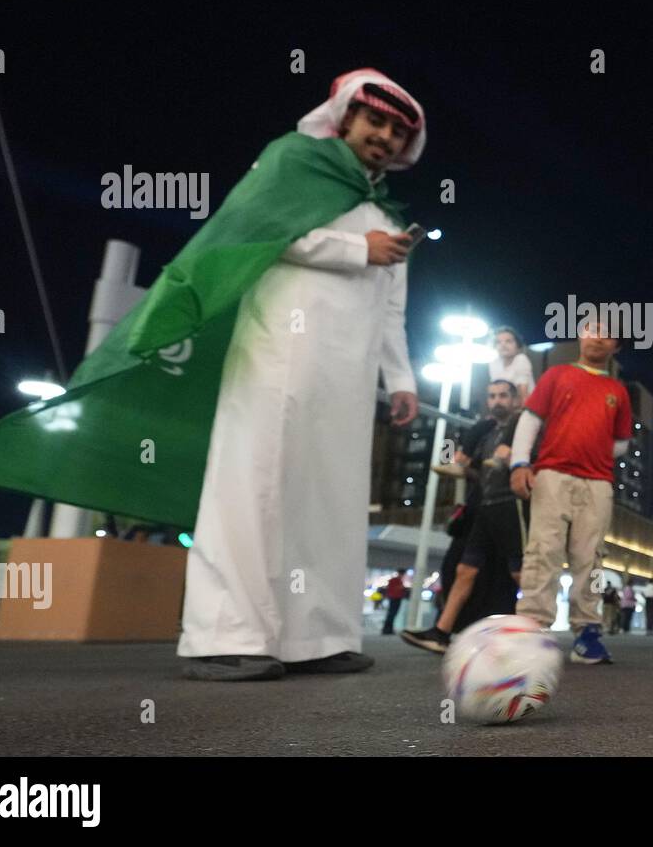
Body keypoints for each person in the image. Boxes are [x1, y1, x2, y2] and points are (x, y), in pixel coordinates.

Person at [178, 68, 426, 681]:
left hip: (347, 376)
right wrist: (353, 249)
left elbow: (392, 307)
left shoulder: (387, 215)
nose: (386, 137)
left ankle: (317, 636)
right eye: (376, 121)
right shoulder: (293, 161)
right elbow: (255, 231)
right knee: (255, 484)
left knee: (331, 494)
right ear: (344, 117)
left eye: (398, 131)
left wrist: (402, 381)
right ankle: (223, 634)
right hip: (275, 356)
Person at [510, 322, 633, 663]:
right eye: (592, 330)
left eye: (608, 335)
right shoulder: (556, 375)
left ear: (616, 347)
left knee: (591, 559)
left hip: (598, 483)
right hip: (551, 475)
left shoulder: (618, 391)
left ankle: (587, 630)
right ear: (580, 335)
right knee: (542, 551)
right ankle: (532, 626)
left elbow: (622, 443)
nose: (598, 338)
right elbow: (531, 419)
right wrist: (520, 463)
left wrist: (590, 450)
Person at [402, 380, 526, 652]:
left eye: (503, 396)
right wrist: (465, 470)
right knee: (465, 568)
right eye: (492, 396)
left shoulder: (523, 427)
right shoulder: (486, 432)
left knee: (519, 573)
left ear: (515, 400)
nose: (497, 401)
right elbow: (480, 472)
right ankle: (441, 632)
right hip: (485, 505)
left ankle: (533, 633)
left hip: (509, 505)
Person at [489, 326, 535, 401]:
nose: (503, 345)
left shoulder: (521, 359)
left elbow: (524, 397)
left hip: (524, 408)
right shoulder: (494, 363)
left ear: (517, 346)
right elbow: (494, 391)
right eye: (498, 342)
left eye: (508, 341)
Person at [382, 571, 411, 635]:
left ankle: (388, 629)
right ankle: (387, 629)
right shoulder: (396, 580)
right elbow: (396, 588)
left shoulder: (396, 580)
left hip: (394, 598)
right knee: (392, 614)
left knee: (392, 614)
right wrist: (402, 588)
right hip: (395, 598)